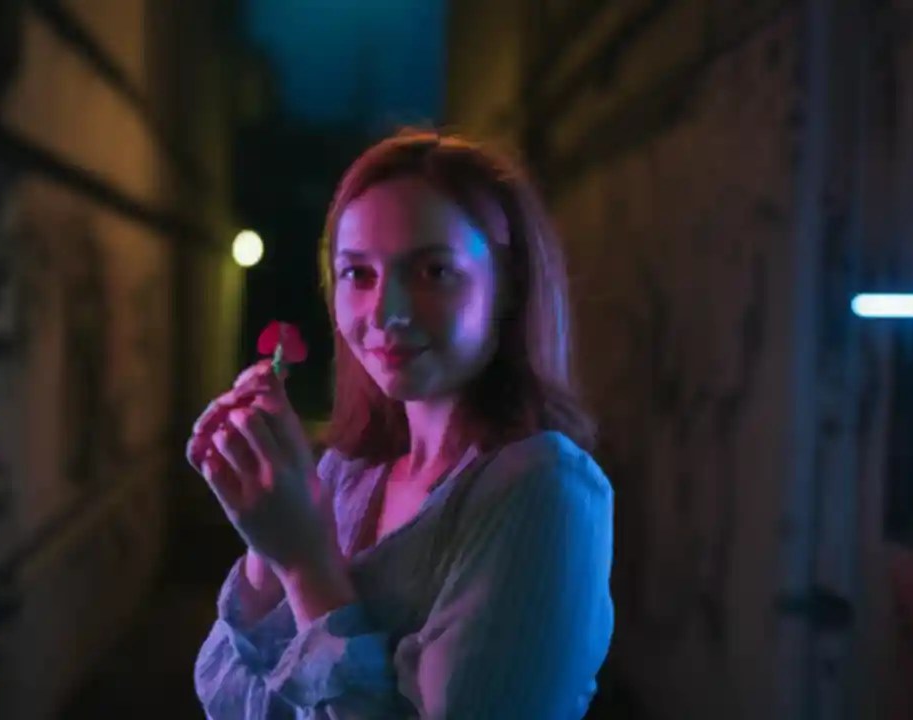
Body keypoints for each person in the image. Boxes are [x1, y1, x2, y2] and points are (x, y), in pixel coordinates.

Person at [186, 130, 614, 719]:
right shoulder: (348, 474)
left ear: (510, 285)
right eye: (358, 274)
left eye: (433, 271)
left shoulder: (544, 492)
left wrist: (305, 564)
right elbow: (232, 701)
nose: (385, 313)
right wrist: (269, 539)